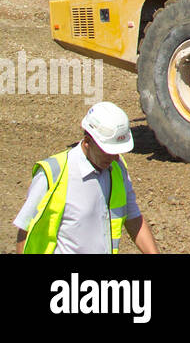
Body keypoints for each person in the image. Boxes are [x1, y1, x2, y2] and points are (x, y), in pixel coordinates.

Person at [13, 102, 159, 254]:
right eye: (108, 151)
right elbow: (25, 230)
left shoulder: (117, 168)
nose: (115, 158)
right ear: (88, 141)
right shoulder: (53, 174)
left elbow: (133, 218)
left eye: (118, 151)